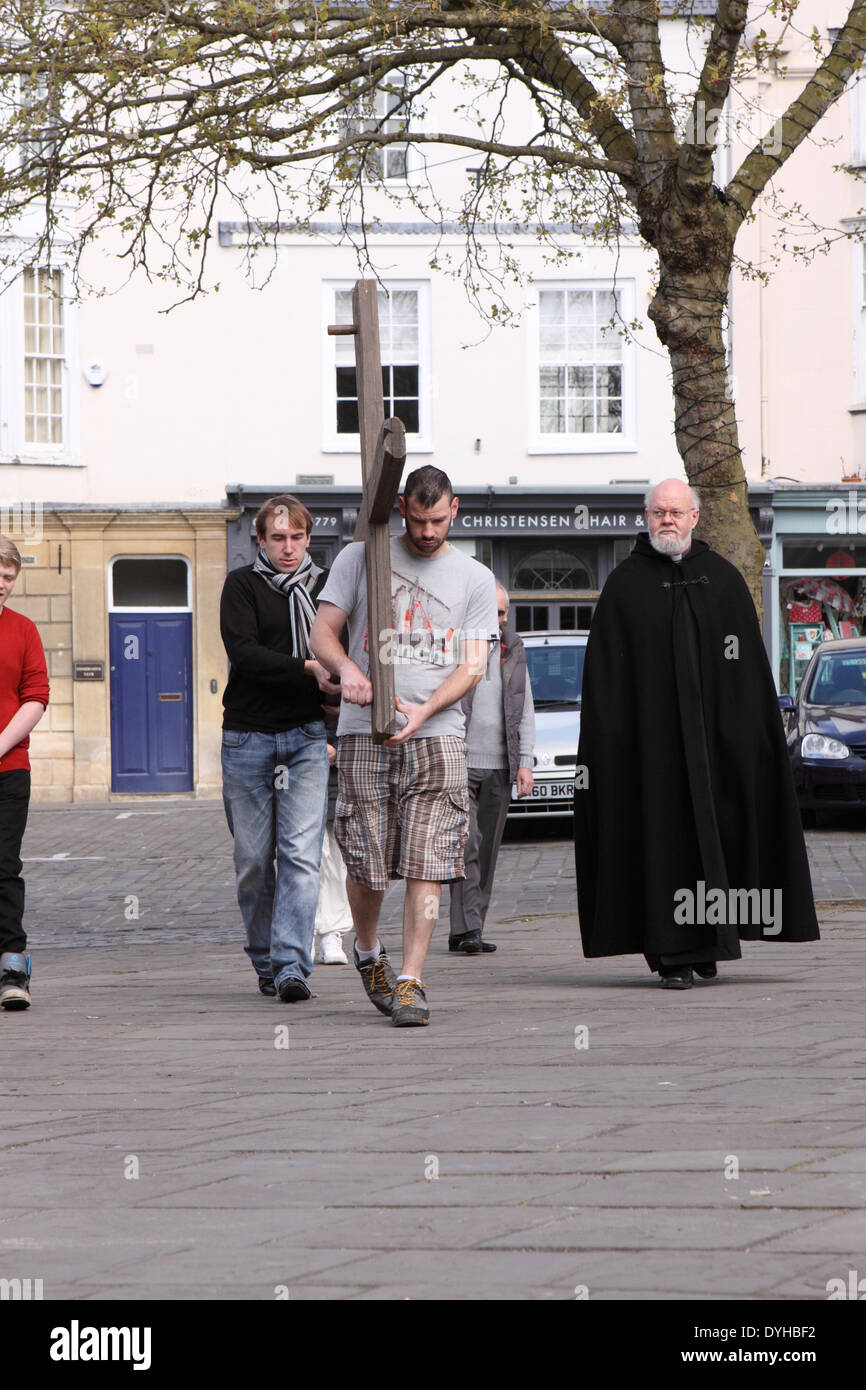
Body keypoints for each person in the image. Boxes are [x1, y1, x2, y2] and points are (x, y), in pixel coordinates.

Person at [574, 478, 819, 990]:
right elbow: (607, 684)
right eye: (658, 512)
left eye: (676, 512)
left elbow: (746, 668)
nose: (667, 520)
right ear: (645, 517)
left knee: (721, 837)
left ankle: (711, 942)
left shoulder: (723, 581)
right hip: (652, 754)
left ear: (695, 517)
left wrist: (747, 737)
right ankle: (672, 954)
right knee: (662, 842)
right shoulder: (624, 588)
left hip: (715, 748)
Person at [309, 465, 498, 1027]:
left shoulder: (475, 578)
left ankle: (412, 980)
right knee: (367, 862)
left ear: (455, 510)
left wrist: (428, 708)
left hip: (438, 735)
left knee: (429, 858)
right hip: (364, 731)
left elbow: (473, 665)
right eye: (417, 520)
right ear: (400, 507)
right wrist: (347, 669)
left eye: (438, 520)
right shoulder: (359, 556)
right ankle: (369, 952)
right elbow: (322, 632)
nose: (427, 532)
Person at [220, 495, 339, 1003]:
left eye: (296, 538)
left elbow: (345, 651)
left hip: (307, 736)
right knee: (252, 860)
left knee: (301, 855)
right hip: (247, 736)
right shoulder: (242, 585)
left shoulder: (328, 586)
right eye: (278, 539)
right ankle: (264, 957)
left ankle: (292, 965)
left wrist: (336, 707)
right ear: (261, 541)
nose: (288, 549)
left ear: (308, 538)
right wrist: (308, 668)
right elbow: (245, 655)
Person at [448, 584, 535, 954]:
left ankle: (472, 929)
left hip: (500, 764)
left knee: (488, 850)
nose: (497, 620)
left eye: (502, 613)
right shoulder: (459, 646)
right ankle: (465, 927)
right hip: (460, 762)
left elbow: (525, 707)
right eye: (491, 613)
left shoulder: (514, 649)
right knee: (467, 843)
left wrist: (526, 763)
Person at [0, 536, 50, 1012]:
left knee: (4, 867)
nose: (2, 585)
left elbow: (35, 694)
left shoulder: (23, 630)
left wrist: (0, 745)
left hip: (9, 768)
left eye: (9, 576)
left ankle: (12, 966)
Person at [313, 742, 352, 965]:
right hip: (297, 755)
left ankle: (332, 933)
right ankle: (302, 931)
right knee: (305, 855)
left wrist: (340, 747)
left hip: (341, 767)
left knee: (338, 858)